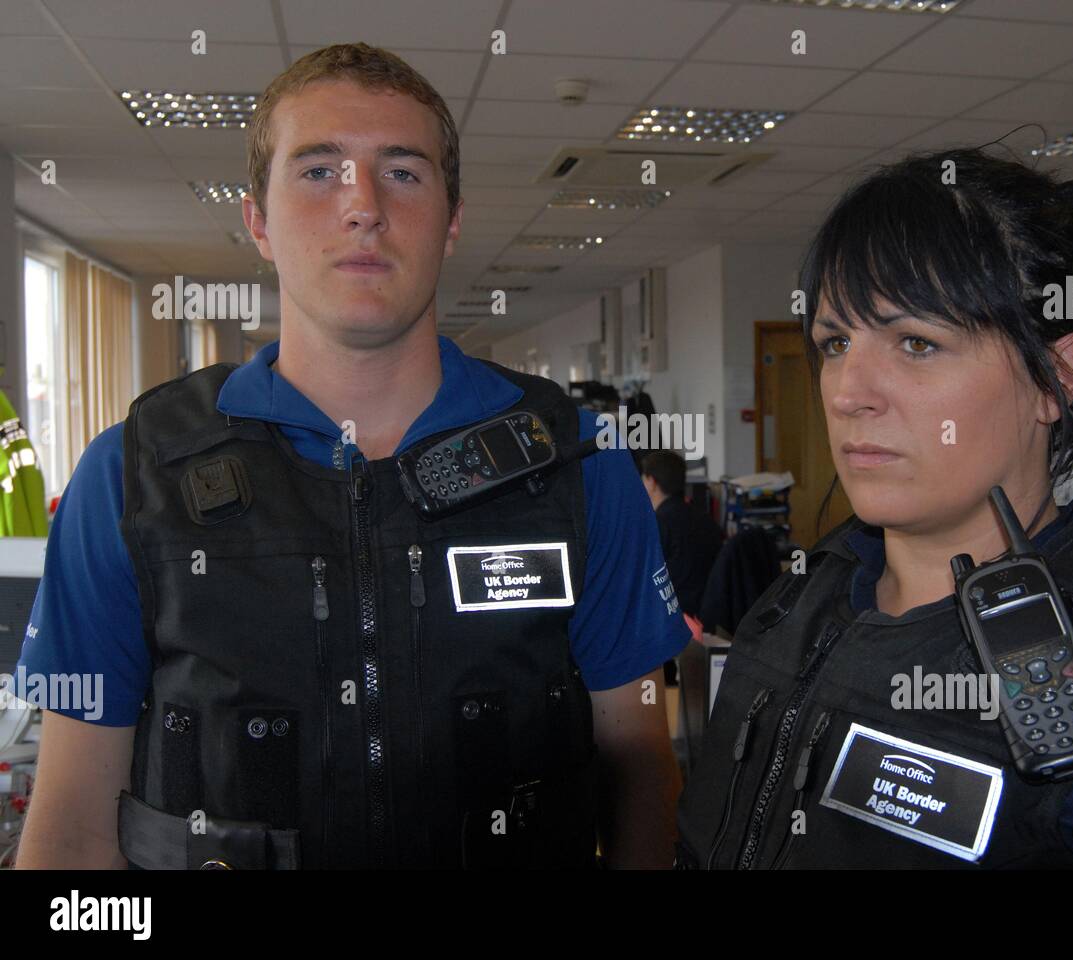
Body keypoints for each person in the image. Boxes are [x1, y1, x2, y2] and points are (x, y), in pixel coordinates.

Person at [15, 43, 689, 870]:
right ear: (257, 220)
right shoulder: (129, 478)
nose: (362, 205)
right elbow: (73, 828)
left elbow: (643, 771)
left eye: (402, 172)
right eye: (318, 170)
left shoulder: (580, 467)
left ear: (452, 218)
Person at [676, 147, 1073, 869]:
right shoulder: (795, 602)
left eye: (917, 342)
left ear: (1056, 380)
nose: (848, 391)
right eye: (835, 342)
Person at [640, 451, 723, 622]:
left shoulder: (657, 525)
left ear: (651, 482)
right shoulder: (707, 521)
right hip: (706, 616)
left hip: (670, 616)